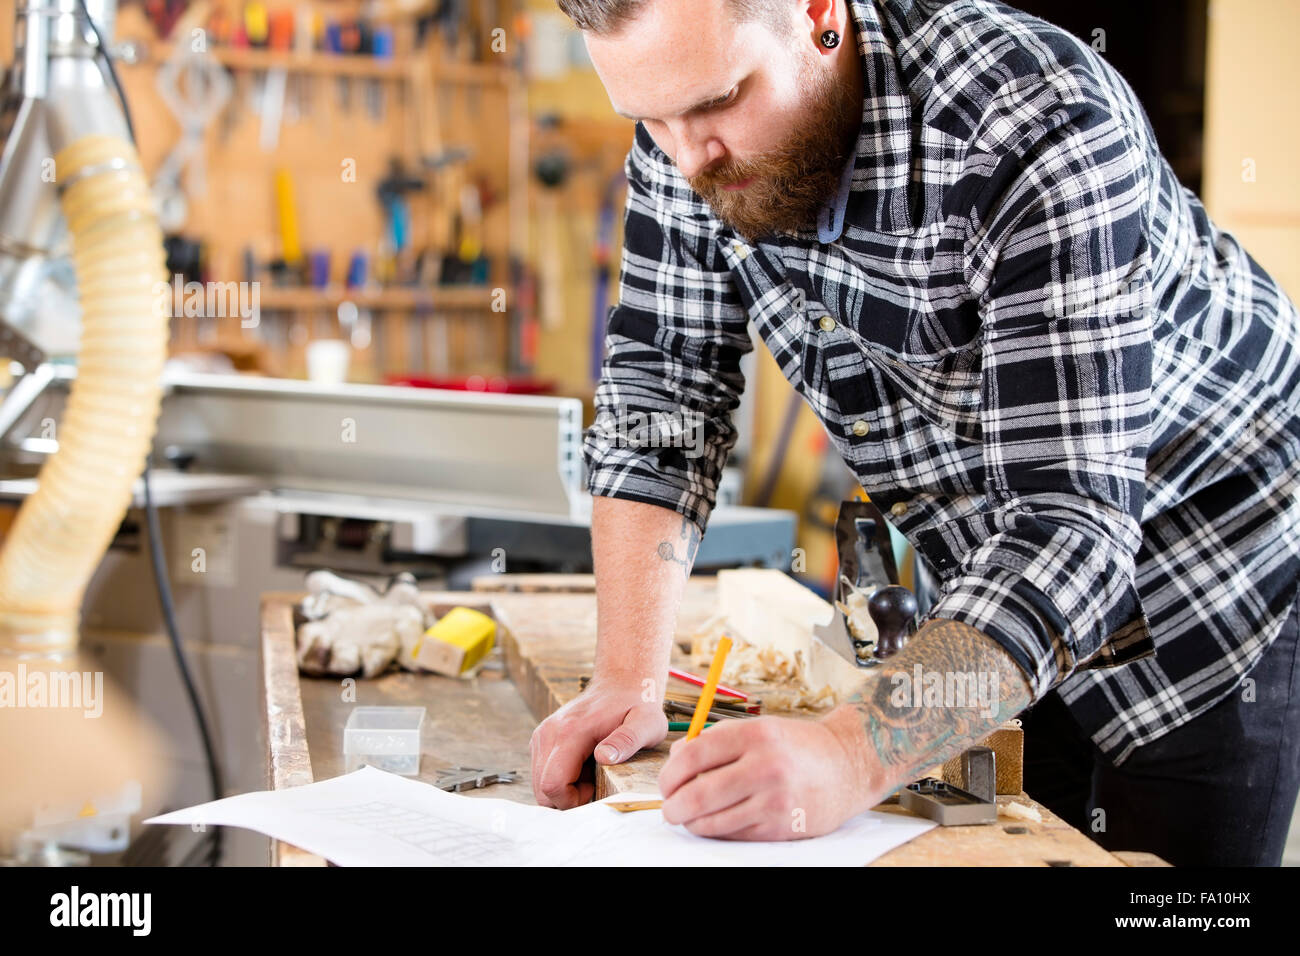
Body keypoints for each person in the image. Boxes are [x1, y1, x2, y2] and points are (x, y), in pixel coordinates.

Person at [530, 0, 1300, 865]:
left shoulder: (1031, 121)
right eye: (649, 119)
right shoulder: (685, 140)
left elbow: (1069, 524)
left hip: (1207, 559)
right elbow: (660, 399)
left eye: (719, 101)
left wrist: (845, 754)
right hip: (994, 578)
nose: (686, 155)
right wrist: (625, 678)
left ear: (819, 14)